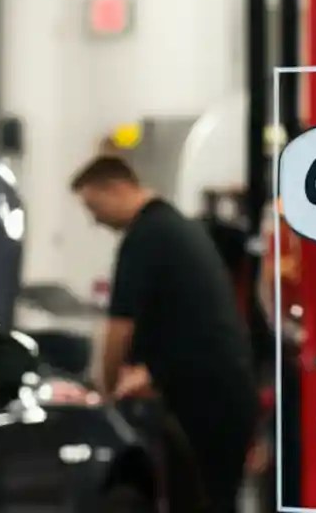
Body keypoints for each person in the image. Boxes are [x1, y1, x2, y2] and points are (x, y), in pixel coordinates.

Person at [71, 155, 258, 513]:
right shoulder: (172, 227)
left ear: (117, 188)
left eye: (93, 206)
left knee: (203, 501)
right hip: (225, 394)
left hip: (207, 402)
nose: (94, 219)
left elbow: (117, 330)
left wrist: (104, 397)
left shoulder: (144, 237)